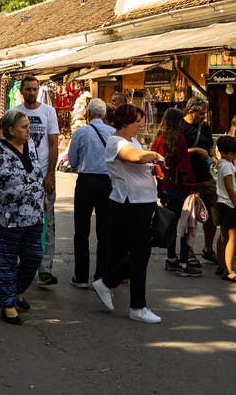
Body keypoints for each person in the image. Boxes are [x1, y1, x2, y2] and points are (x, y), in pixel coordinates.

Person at [91, 103, 165, 324]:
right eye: (136, 122)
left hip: (142, 203)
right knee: (139, 254)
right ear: (124, 122)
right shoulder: (116, 142)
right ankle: (137, 305)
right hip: (129, 204)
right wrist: (154, 155)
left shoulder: (132, 140)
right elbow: (133, 157)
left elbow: (139, 160)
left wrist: (152, 166)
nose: (139, 126)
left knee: (140, 253)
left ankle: (108, 283)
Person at [0, 109, 46, 325]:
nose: (29, 130)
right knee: (6, 261)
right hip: (8, 217)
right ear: (10, 130)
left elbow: (36, 174)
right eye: (24, 127)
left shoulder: (31, 147)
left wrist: (42, 195)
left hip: (34, 216)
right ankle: (8, 304)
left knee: (34, 256)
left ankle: (15, 290)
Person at [67, 98, 114, 288]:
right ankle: (100, 275)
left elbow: (72, 160)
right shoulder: (112, 133)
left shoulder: (80, 132)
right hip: (107, 183)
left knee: (81, 230)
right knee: (105, 231)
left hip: (86, 181)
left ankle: (81, 276)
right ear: (103, 115)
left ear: (87, 114)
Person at [18, 76, 59, 285]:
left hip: (44, 176)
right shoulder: (14, 113)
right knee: (23, 222)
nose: (32, 92)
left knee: (47, 223)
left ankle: (45, 268)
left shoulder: (48, 112)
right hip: (21, 178)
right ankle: (24, 264)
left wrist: (50, 173)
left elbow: (53, 144)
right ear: (22, 91)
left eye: (35, 89)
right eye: (28, 89)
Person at [151, 108, 200, 277]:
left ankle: (171, 259)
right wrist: (193, 187)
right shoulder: (179, 139)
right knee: (186, 226)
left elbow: (153, 164)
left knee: (171, 225)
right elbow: (185, 166)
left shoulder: (158, 139)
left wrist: (159, 186)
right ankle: (184, 262)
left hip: (164, 188)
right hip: (180, 189)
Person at [181, 96, 219, 264]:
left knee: (212, 215)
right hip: (189, 179)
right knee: (190, 218)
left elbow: (210, 145)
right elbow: (177, 152)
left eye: (205, 114)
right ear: (191, 111)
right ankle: (188, 250)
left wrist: (212, 155)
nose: (204, 117)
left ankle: (208, 249)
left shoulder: (205, 128)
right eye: (201, 114)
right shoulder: (180, 127)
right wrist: (196, 150)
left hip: (206, 177)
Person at [215, 135, 236, 283]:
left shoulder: (223, 164)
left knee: (224, 237)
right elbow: (230, 188)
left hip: (223, 203)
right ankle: (229, 269)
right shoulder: (227, 166)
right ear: (224, 152)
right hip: (229, 204)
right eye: (232, 153)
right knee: (233, 238)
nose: (234, 156)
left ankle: (222, 265)